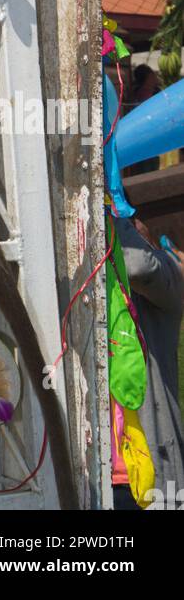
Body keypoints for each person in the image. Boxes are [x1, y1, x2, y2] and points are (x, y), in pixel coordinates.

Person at [112, 217, 184, 509]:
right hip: (95, 476)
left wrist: (112, 217)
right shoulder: (91, 294)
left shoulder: (164, 286)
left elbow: (138, 265)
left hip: (153, 476)